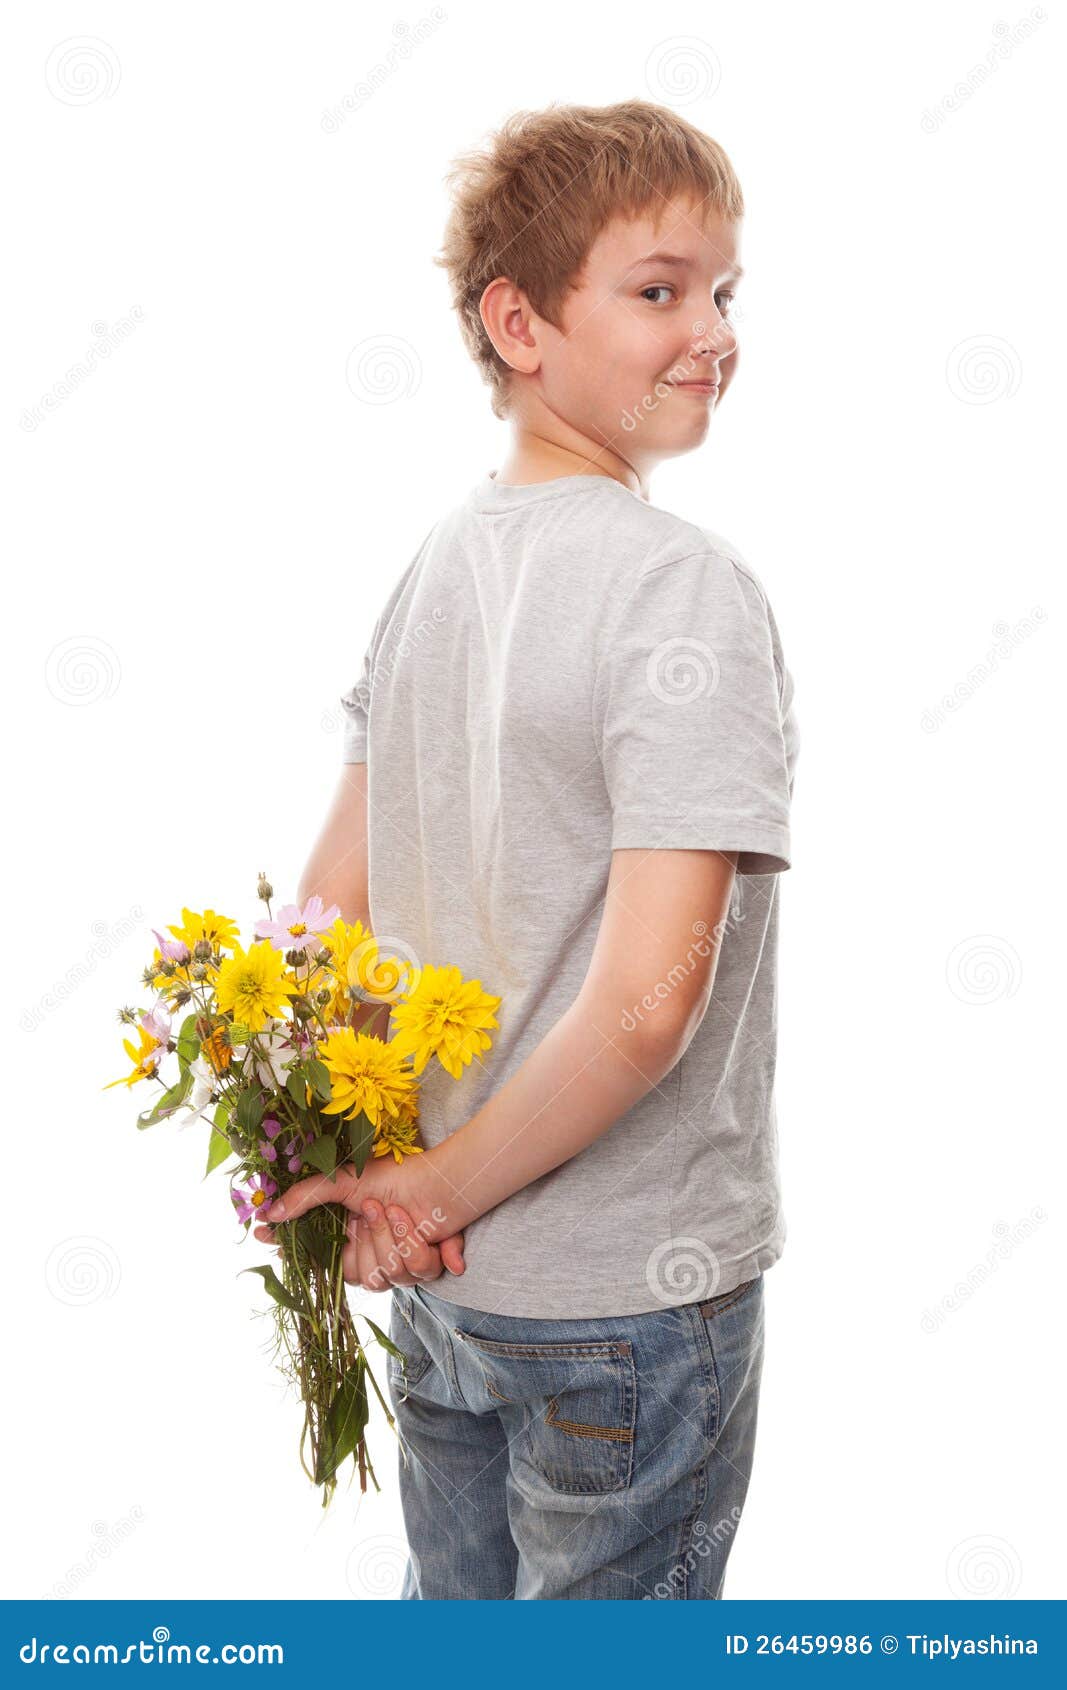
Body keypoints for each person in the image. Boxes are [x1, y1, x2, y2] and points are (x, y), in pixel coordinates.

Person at [254, 98, 799, 1599]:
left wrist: (387, 1176)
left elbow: (320, 925)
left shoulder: (434, 569)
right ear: (520, 322)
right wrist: (420, 1195)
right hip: (625, 1302)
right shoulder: (682, 591)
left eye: (725, 291)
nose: (712, 328)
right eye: (659, 288)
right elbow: (643, 1005)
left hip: (451, 1295)